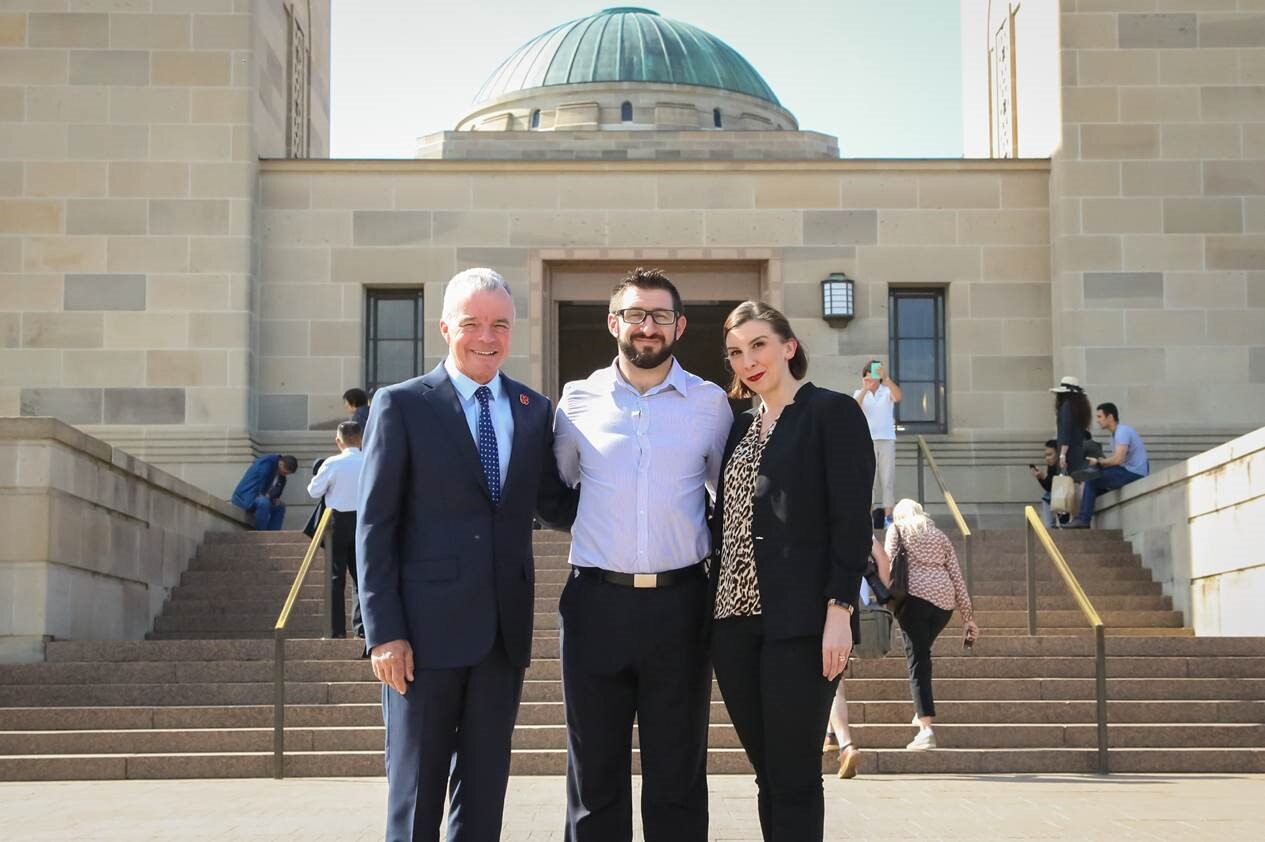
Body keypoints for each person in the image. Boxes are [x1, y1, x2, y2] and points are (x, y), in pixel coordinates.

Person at [355, 268, 577, 842]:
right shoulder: (401, 404)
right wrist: (383, 631)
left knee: (484, 794)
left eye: (500, 324)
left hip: (502, 636)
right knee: (416, 793)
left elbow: (555, 506)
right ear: (445, 327)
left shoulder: (533, 407)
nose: (487, 337)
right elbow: (376, 524)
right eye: (473, 323)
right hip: (421, 640)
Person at [553, 267, 732, 842]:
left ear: (679, 326)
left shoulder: (710, 405)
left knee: (678, 775)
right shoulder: (575, 402)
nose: (647, 326)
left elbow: (727, 498)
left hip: (681, 607)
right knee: (593, 777)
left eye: (658, 315)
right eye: (635, 314)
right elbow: (558, 493)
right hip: (594, 605)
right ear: (614, 324)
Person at [710, 301, 874, 840]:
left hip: (801, 623)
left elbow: (849, 519)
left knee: (796, 772)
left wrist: (840, 609)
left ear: (789, 346)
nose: (748, 360)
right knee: (769, 774)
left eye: (758, 345)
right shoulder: (739, 429)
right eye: (736, 352)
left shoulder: (831, 413)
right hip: (733, 623)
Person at [885, 499, 978, 751]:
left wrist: (882, 598)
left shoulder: (897, 529)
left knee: (918, 660)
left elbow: (888, 565)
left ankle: (925, 728)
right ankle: (921, 708)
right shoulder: (939, 535)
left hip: (914, 600)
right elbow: (956, 575)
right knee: (922, 654)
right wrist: (967, 616)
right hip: (943, 605)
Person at [823, 534, 890, 780]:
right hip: (851, 605)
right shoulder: (854, 522)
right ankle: (830, 735)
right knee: (833, 672)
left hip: (826, 604)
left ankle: (845, 744)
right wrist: (881, 598)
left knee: (832, 678)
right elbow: (882, 558)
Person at [306, 420, 365, 639]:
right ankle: (363, 630)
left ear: (338, 440)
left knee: (335, 577)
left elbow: (314, 491)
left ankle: (335, 630)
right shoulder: (370, 461)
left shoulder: (332, 463)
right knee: (362, 578)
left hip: (336, 522)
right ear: (360, 439)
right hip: (363, 522)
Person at [1069, 402, 1150, 529]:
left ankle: (1084, 519)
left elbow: (1118, 459)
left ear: (1110, 417)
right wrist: (1099, 464)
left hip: (1134, 473)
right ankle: (1082, 514)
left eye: (1100, 417)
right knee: (1093, 474)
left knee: (1092, 478)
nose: (1098, 421)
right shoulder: (1114, 436)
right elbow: (1116, 461)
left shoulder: (1122, 432)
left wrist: (1099, 462)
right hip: (1127, 470)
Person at [853, 360, 901, 527]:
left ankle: (889, 518)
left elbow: (899, 396)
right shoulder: (859, 393)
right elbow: (853, 408)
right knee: (868, 480)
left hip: (886, 439)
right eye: (868, 377)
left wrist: (885, 378)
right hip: (866, 441)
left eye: (874, 377)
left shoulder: (886, 391)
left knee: (887, 479)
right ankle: (869, 518)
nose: (871, 380)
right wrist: (865, 389)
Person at [230, 453, 297, 531]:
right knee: (264, 502)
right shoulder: (267, 462)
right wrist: (265, 495)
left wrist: (276, 498)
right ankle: (261, 533)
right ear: (281, 464)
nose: (285, 475)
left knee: (280, 507)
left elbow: (277, 489)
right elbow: (262, 482)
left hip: (260, 498)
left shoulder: (281, 476)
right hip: (245, 498)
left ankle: (273, 534)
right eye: (285, 472)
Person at [1051, 376, 1092, 480]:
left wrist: (1062, 454)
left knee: (1066, 480)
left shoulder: (1066, 406)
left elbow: (1066, 431)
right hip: (1077, 450)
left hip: (1067, 452)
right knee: (1075, 480)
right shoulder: (1079, 408)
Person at [1030, 439, 1063, 527]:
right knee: (1046, 496)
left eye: (1050, 455)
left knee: (1047, 497)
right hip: (1056, 495)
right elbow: (1049, 487)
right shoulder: (1051, 466)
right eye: (1045, 455)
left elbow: (1056, 485)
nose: (1047, 458)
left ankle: (1050, 526)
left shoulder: (1062, 465)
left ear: (1058, 454)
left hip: (1065, 494)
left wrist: (1042, 477)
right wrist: (1040, 478)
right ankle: (1050, 527)